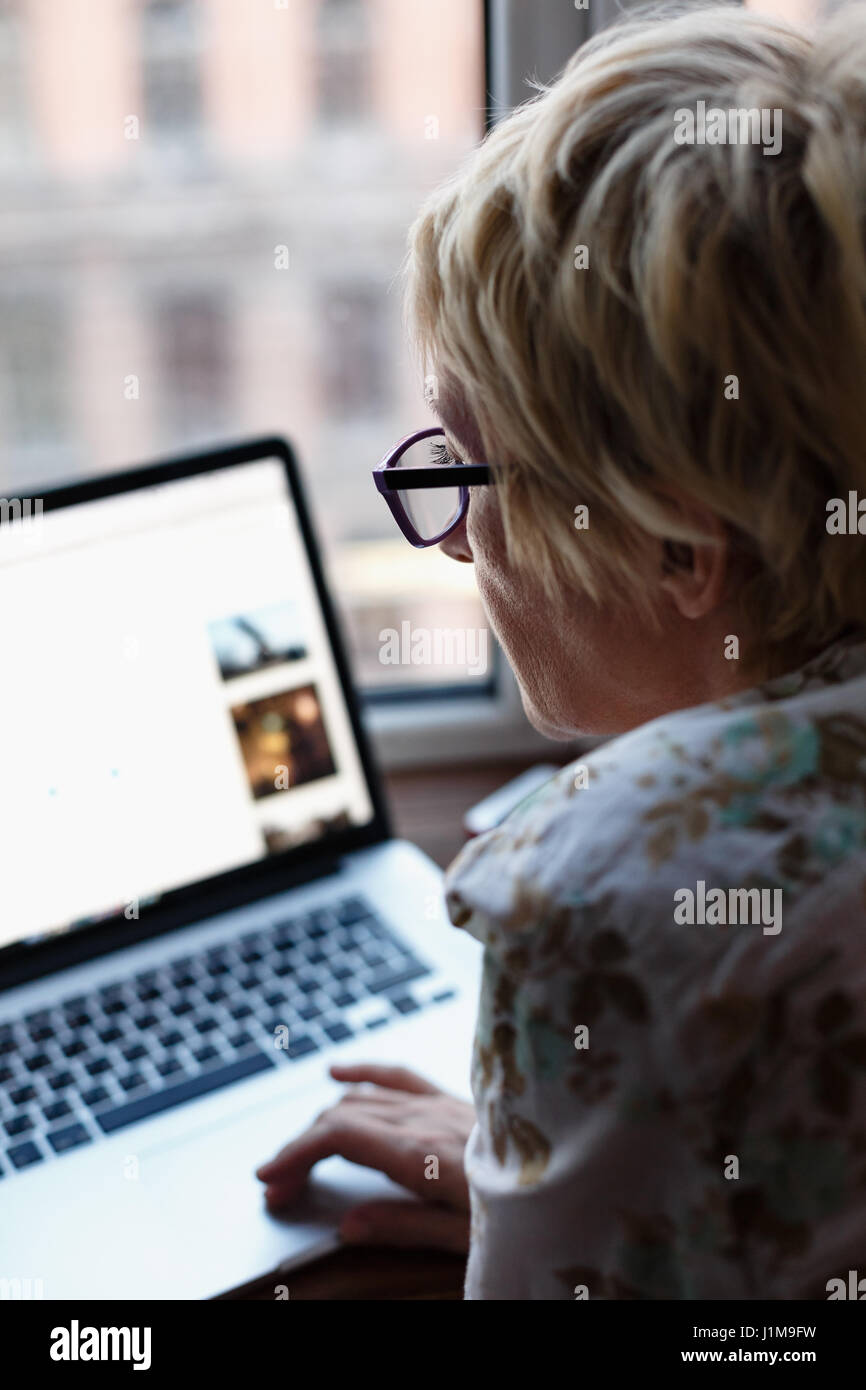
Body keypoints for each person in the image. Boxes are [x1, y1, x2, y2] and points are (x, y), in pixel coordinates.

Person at [257, 3, 866, 1298]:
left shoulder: (625, 884)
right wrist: (572, 1178)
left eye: (471, 464)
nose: (449, 537)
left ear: (673, 544)